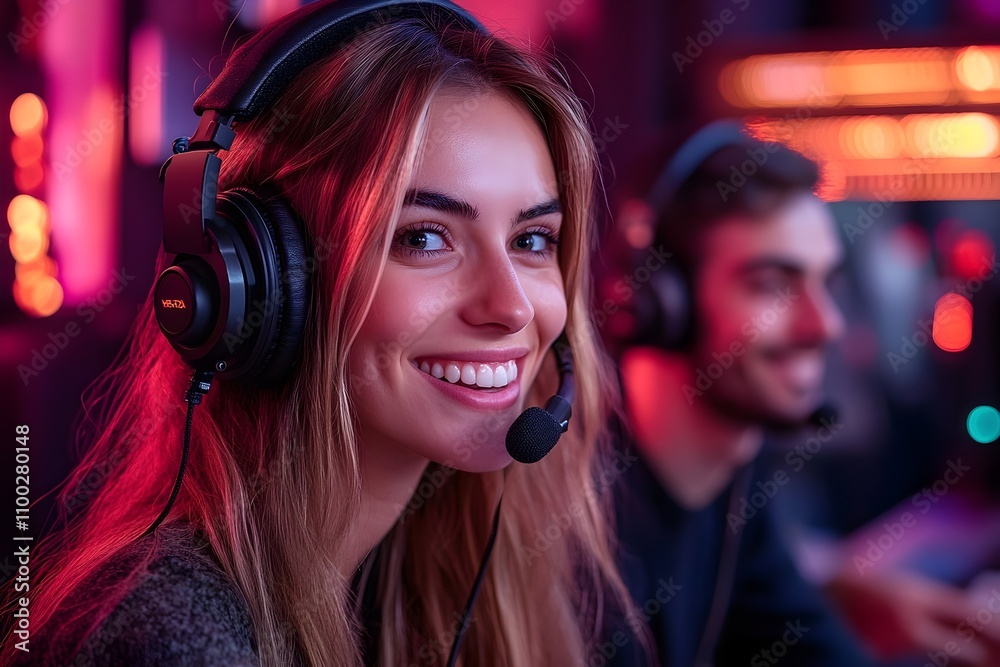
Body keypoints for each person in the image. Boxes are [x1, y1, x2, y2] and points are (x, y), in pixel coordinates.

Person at [3, 2, 637, 665]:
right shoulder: (169, 636)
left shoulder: (422, 584)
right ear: (264, 286)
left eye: (533, 239)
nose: (511, 306)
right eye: (423, 237)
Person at [598, 121, 875, 666]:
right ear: (660, 302)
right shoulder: (575, 530)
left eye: (825, 283)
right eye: (774, 284)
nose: (825, 325)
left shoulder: (735, 489)